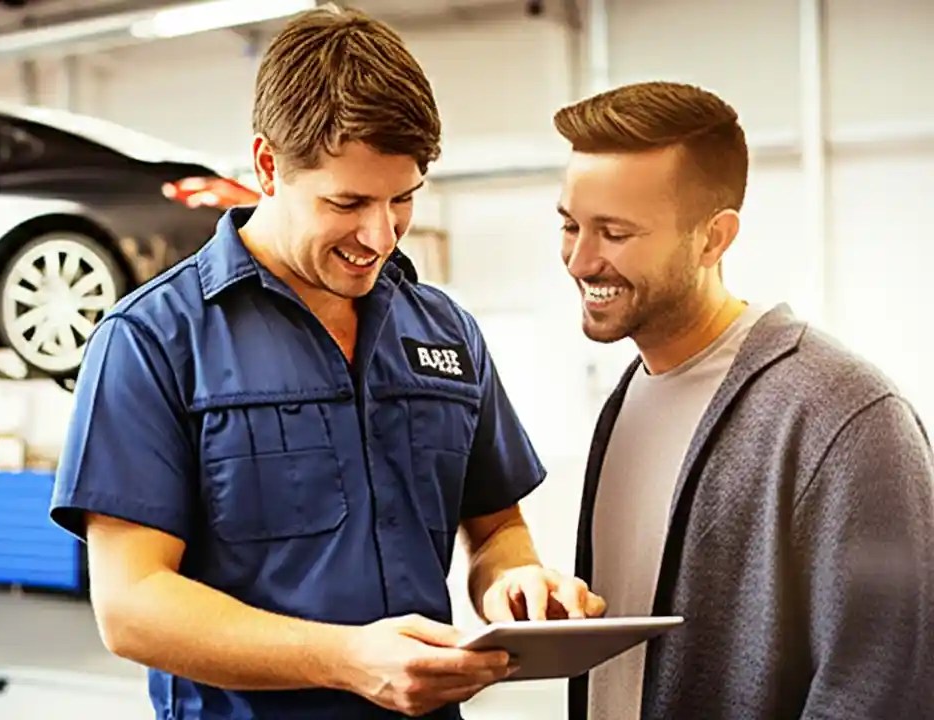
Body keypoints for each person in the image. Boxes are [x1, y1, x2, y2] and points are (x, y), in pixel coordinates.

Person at [50, 5, 604, 719]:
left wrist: (516, 583)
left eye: (402, 199)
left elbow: (496, 526)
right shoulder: (154, 341)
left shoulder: (445, 331)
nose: (379, 235)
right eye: (348, 202)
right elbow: (131, 605)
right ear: (267, 166)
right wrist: (346, 661)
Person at [551, 80, 934, 720]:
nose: (580, 261)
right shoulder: (626, 404)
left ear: (713, 238)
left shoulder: (846, 416)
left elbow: (885, 684)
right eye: (570, 225)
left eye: (614, 233)